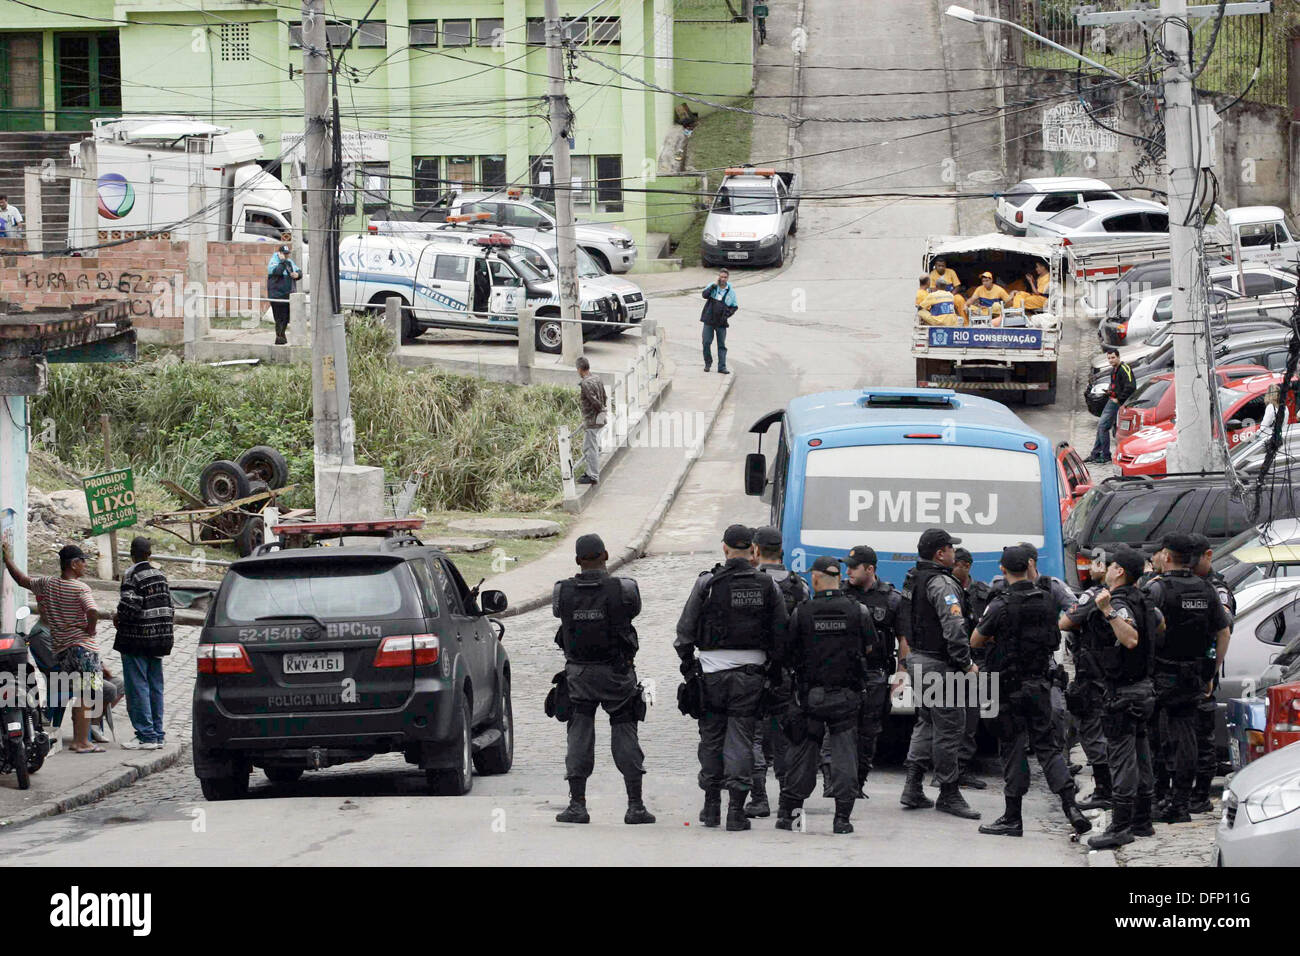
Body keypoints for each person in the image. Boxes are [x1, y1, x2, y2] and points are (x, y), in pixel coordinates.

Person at [972, 546, 1092, 837]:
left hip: (1008, 689)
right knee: (1048, 749)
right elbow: (1054, 638)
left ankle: (1013, 817)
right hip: (1040, 685)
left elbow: (976, 640)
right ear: (1028, 566)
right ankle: (1070, 807)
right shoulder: (1046, 601)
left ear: (1003, 569)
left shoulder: (1000, 604)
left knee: (1012, 750)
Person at [676, 524, 788, 831]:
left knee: (711, 738)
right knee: (741, 738)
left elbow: (684, 632)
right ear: (753, 550)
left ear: (724, 549)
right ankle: (736, 812)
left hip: (711, 674)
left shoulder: (707, 583)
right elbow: (781, 634)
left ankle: (711, 806)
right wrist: (773, 674)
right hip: (751, 676)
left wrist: (689, 669)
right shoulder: (767, 585)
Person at [552, 533, 654, 825]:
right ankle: (635, 806)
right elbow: (632, 611)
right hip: (617, 674)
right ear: (607, 555)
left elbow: (560, 614)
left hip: (579, 674)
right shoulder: (625, 589)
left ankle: (577, 805)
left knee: (579, 735)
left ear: (577, 561)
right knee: (625, 732)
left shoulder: (562, 591)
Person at [776, 556, 877, 834]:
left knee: (803, 756)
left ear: (817, 578)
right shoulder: (858, 611)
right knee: (845, 756)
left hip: (811, 696)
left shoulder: (802, 612)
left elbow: (788, 653)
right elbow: (870, 648)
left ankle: (792, 819)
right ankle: (842, 820)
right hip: (846, 696)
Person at [1072, 548, 1158, 848]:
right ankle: (1143, 821)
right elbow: (1159, 624)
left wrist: (1108, 611)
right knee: (1142, 755)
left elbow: (1131, 638)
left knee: (1123, 760)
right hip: (1143, 689)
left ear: (1119, 571)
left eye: (1110, 566)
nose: (1105, 570)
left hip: (1124, 692)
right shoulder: (1143, 599)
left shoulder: (1117, 603)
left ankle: (1121, 827)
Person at [1144, 533, 1232, 823]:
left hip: (1161, 673)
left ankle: (1160, 797)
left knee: (1157, 737)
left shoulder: (1157, 590)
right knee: (1187, 738)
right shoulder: (1205, 590)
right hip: (1192, 673)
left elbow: (1146, 631)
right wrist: (1210, 671)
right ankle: (1181, 804)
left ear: (1167, 556)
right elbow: (1223, 632)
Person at [898, 528, 980, 819]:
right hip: (940, 665)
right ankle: (948, 792)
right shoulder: (942, 583)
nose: (954, 553)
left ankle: (913, 786)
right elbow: (955, 627)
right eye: (950, 548)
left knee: (926, 722)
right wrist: (964, 662)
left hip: (918, 659)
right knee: (950, 728)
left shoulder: (914, 577)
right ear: (939, 553)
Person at [2, 542, 103, 753]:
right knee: (88, 695)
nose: (85, 565)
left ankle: (80, 739)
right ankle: (82, 741)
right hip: (84, 648)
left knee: (77, 693)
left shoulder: (47, 584)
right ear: (73, 564)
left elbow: (22, 580)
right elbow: (92, 610)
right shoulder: (80, 588)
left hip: (62, 649)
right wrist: (90, 628)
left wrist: (8, 559)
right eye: (83, 561)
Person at [747, 525, 809, 818]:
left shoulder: (750, 583)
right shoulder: (799, 586)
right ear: (781, 550)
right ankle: (787, 796)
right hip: (787, 672)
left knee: (754, 735)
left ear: (756, 550)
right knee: (784, 735)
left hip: (755, 667)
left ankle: (758, 797)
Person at [841, 545, 905, 798]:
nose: (848, 573)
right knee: (840, 729)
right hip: (842, 672)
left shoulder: (891, 599)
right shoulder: (841, 594)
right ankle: (838, 782)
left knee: (868, 732)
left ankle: (858, 782)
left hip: (875, 673)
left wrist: (901, 674)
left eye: (853, 568)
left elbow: (904, 639)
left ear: (870, 569)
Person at [1059, 547, 1114, 809]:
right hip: (1116, 672)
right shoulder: (1132, 594)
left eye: (1096, 563)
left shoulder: (1094, 596)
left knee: (1090, 729)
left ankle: (1105, 790)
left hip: (1093, 673)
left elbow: (1067, 622)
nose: (1090, 567)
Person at [112, 537, 174, 750]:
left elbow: (130, 607)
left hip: (137, 640)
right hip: (160, 640)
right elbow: (170, 607)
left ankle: (145, 735)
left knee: (137, 686)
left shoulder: (132, 574)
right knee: (155, 686)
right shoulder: (160, 575)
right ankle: (158, 733)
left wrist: (117, 617)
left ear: (132, 553)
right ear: (150, 553)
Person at [1188, 532, 1234, 814]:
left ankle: (1200, 795)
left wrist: (1211, 671)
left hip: (1203, 671)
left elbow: (1223, 631)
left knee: (1202, 739)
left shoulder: (1216, 589)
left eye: (1194, 560)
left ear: (1208, 556)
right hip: (1185, 670)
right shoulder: (1191, 582)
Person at [950, 548, 991, 789]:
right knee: (942, 720)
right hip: (947, 661)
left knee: (970, 719)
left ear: (965, 566)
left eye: (955, 564)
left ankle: (961, 769)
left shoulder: (983, 594)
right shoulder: (943, 588)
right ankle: (942, 770)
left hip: (974, 663)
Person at [1088, 347, 1134, 464]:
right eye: (1109, 358)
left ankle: (1105, 455)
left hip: (1116, 402)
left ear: (1118, 357)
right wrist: (1109, 392)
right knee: (1101, 426)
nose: (1111, 360)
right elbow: (1116, 385)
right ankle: (1095, 453)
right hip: (1112, 400)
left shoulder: (1124, 369)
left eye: (1113, 358)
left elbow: (1131, 387)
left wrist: (1119, 399)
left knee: (1103, 426)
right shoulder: (1114, 369)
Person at [575, 356, 607, 486]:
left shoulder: (585, 384)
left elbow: (594, 401)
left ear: (579, 369)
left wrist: (599, 412)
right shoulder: (597, 378)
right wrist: (603, 413)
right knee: (590, 445)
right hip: (600, 417)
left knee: (590, 447)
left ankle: (592, 475)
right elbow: (604, 396)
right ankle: (590, 472)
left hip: (592, 419)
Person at [700, 270, 738, 374]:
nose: (723, 279)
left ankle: (722, 367)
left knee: (721, 345)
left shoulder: (731, 292)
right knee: (706, 342)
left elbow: (734, 306)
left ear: (728, 278)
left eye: (725, 277)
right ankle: (708, 363)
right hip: (709, 320)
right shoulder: (712, 287)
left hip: (721, 323)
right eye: (721, 277)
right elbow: (704, 295)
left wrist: (726, 315)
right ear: (718, 277)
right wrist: (713, 286)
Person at [266, 243, 302, 345]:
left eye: (287, 254)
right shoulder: (274, 262)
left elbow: (299, 271)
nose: (286, 256)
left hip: (287, 295)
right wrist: (282, 262)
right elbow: (277, 272)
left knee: (286, 318)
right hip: (276, 295)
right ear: (279, 253)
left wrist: (297, 274)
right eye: (284, 254)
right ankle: (279, 337)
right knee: (279, 318)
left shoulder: (289, 262)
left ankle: (282, 336)